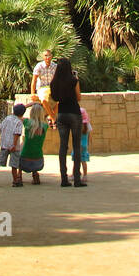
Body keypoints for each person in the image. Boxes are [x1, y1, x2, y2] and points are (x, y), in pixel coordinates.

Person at [50, 58, 85, 187]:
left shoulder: (54, 82)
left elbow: (54, 98)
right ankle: (77, 178)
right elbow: (79, 97)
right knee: (76, 146)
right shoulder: (74, 81)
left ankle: (63, 179)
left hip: (62, 114)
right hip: (74, 113)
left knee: (62, 146)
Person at [0, 103, 26, 187]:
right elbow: (17, 134)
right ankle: (15, 180)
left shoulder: (7, 118)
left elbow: (1, 127)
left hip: (4, 144)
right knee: (14, 164)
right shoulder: (19, 122)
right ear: (22, 114)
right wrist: (13, 144)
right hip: (14, 146)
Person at [19, 102, 47, 185]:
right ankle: (35, 174)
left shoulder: (27, 122)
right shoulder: (45, 125)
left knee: (21, 145)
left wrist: (29, 104)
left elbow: (16, 114)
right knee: (35, 148)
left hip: (24, 162)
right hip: (39, 163)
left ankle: (19, 175)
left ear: (31, 112)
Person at [31, 50, 57, 128]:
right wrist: (32, 94)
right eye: (45, 55)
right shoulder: (39, 66)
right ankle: (54, 118)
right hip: (42, 88)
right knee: (43, 100)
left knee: (60, 100)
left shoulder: (55, 66)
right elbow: (34, 80)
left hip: (52, 88)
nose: (47, 57)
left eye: (49, 55)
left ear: (51, 56)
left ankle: (50, 117)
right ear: (43, 57)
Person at [79, 105, 92, 182]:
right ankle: (85, 175)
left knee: (76, 160)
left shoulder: (77, 125)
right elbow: (90, 135)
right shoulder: (87, 125)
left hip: (78, 144)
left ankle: (75, 173)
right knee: (83, 160)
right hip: (84, 145)